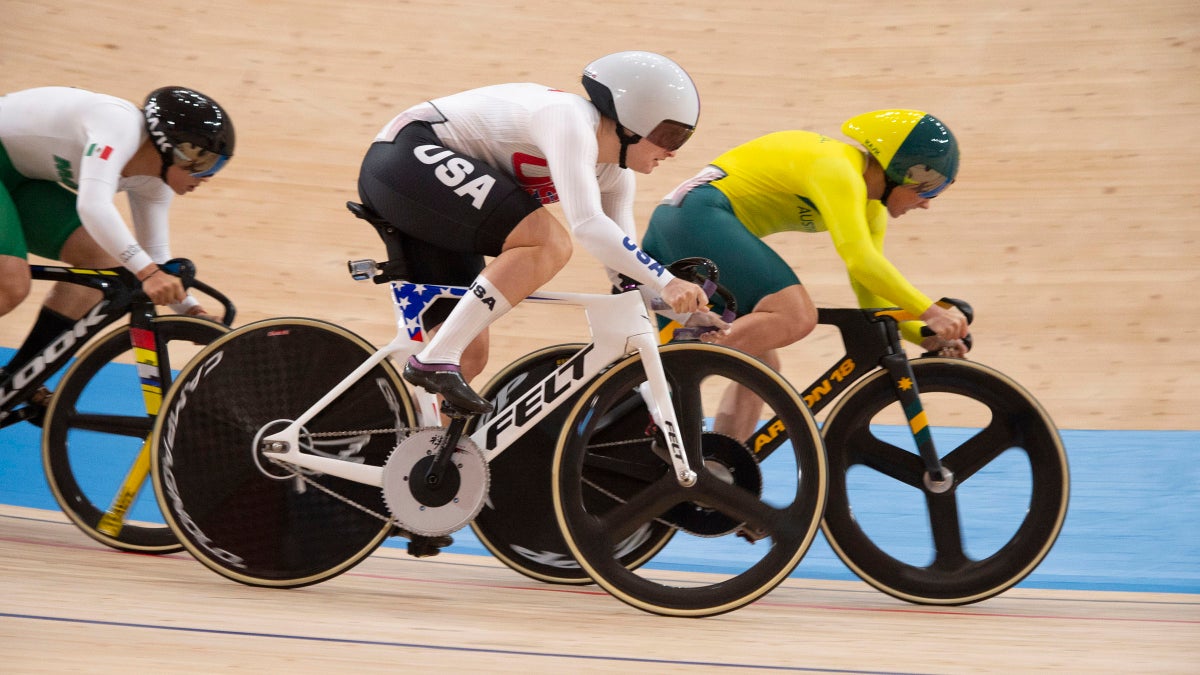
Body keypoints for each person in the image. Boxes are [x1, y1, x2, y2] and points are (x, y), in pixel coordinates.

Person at [356, 50, 717, 415]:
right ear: (631, 120)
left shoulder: (615, 177)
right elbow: (588, 225)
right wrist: (667, 281)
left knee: (470, 357)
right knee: (548, 243)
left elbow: (622, 269)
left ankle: (398, 447)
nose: (673, 152)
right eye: (670, 136)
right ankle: (434, 360)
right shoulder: (569, 119)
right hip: (404, 155)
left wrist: (686, 315)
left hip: (435, 196)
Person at [642, 109, 971, 439]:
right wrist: (930, 311)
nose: (927, 203)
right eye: (929, 189)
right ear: (902, 170)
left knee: (762, 365)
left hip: (682, 224)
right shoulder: (838, 169)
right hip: (696, 218)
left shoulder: (871, 207)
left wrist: (923, 332)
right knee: (796, 316)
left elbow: (869, 288)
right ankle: (668, 388)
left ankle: (716, 470)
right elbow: (861, 262)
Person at [0, 85, 235, 388]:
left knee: (106, 265)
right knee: (10, 283)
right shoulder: (119, 125)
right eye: (203, 163)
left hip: (18, 176)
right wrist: (149, 272)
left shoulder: (155, 183)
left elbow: (156, 260)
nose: (209, 177)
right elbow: (92, 206)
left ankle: (16, 381)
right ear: (170, 147)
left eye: (218, 165)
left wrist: (192, 310)